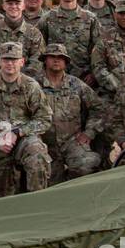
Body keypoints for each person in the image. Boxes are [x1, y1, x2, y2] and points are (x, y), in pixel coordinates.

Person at [0, 41, 52, 197]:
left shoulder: (30, 85)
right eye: (6, 59)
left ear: (22, 61)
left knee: (37, 153)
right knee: (0, 195)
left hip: (23, 140)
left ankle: (38, 201)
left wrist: (19, 132)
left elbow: (44, 118)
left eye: (14, 59)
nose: (10, 63)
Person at [37, 44, 104, 182]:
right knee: (48, 181)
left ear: (66, 62)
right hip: (44, 144)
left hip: (72, 142)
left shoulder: (76, 84)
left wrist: (89, 132)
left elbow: (99, 108)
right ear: (45, 60)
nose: (56, 60)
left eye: (60, 58)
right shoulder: (34, 85)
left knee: (87, 164)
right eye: (52, 57)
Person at [40, 0, 99, 89]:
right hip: (54, 78)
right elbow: (38, 47)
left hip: (84, 79)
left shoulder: (90, 18)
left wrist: (94, 73)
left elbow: (99, 48)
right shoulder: (48, 18)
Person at [0, 0, 44, 77]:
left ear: (23, 6)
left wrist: (20, 80)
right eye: (9, 3)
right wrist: (3, 78)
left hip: (25, 85)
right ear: (3, 6)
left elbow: (37, 61)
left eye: (17, 3)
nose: (14, 7)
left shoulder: (34, 34)